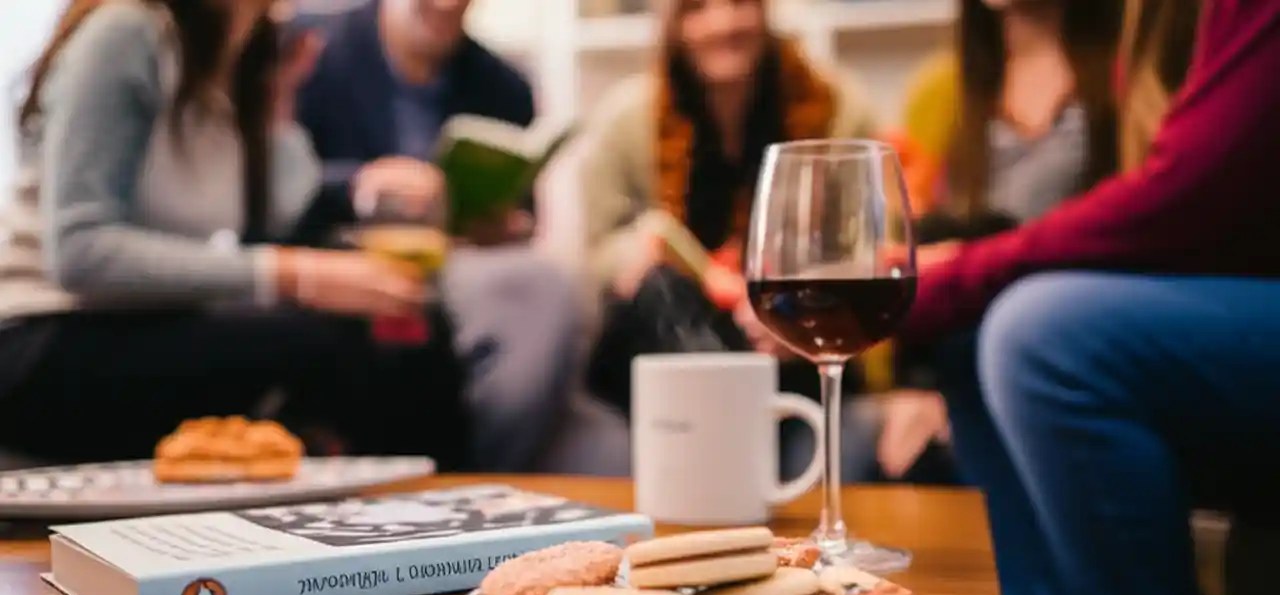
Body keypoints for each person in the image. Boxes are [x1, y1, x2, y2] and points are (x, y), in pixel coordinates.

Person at [896, 0, 1280, 595]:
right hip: (1144, 283)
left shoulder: (1118, 56)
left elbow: (1186, 196)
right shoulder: (967, 89)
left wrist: (965, 274)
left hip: (1102, 287)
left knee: (1039, 333)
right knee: (983, 335)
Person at [0, 0, 468, 469]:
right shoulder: (127, 33)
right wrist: (295, 275)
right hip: (42, 333)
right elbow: (82, 252)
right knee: (331, 343)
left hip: (143, 322)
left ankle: (453, 516)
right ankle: (424, 516)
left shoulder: (243, 50)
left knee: (412, 319)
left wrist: (296, 124)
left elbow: (273, 217)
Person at [290, 0, 627, 475]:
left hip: (460, 258)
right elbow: (273, 182)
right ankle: (475, 478)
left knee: (608, 441)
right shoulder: (315, 51)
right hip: (347, 251)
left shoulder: (502, 85)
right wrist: (359, 183)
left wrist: (506, 223)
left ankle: (482, 478)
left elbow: (524, 212)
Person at [578, 0, 884, 476]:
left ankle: (734, 440)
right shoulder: (628, 117)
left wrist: (802, 307)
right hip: (671, 336)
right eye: (699, 8)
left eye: (740, 4)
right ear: (674, 24)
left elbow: (864, 248)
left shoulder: (836, 107)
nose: (723, 24)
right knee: (661, 289)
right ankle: (732, 430)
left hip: (790, 340)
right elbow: (599, 247)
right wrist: (631, 253)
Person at [875, 0, 1123, 482]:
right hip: (963, 336)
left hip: (1069, 322)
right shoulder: (945, 89)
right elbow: (925, 241)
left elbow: (1128, 227)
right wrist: (917, 382)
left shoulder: (1123, 73)